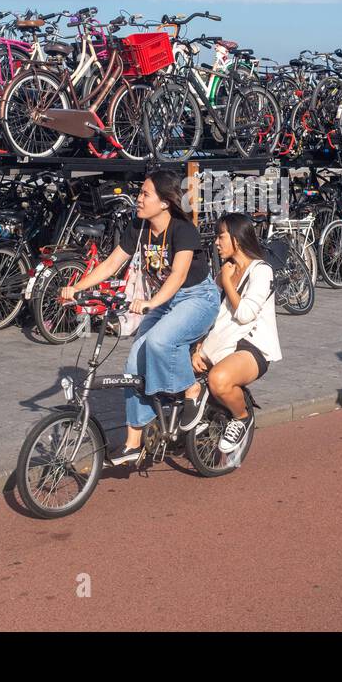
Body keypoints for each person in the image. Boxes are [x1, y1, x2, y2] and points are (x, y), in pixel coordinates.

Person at [61, 170, 220, 466]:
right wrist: (77, 288)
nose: (138, 199)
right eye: (140, 193)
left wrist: (150, 303)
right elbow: (111, 263)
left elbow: (178, 275)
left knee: (160, 342)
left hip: (196, 298)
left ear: (164, 202)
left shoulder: (183, 230)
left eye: (145, 194)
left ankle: (191, 389)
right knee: (133, 363)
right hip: (161, 301)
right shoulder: (139, 227)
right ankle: (134, 442)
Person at [184, 212, 281, 453]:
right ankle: (206, 414)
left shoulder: (261, 271)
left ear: (237, 238)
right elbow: (209, 312)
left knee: (219, 379)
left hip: (252, 346)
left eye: (221, 236)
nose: (216, 242)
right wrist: (198, 347)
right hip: (220, 341)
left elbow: (245, 314)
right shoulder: (224, 271)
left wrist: (227, 281)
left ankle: (241, 418)